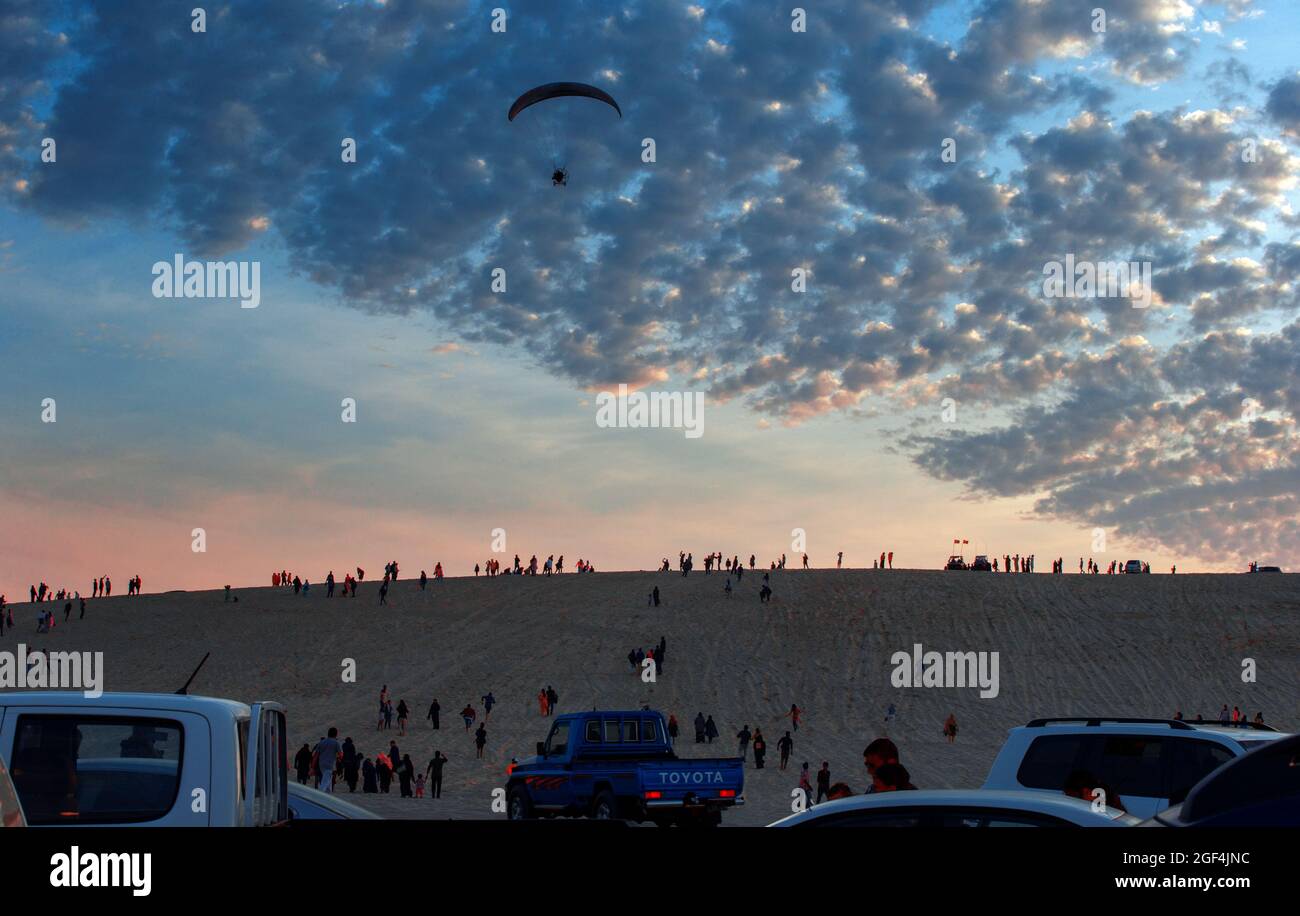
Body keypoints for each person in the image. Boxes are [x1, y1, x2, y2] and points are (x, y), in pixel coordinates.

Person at [314, 728, 342, 793]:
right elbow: (341, 755)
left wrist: (312, 767)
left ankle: (328, 798)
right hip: (330, 765)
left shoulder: (322, 742)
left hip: (322, 765)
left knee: (328, 785)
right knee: (324, 783)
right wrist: (338, 757)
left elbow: (315, 756)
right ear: (336, 734)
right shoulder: (336, 742)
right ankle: (318, 796)